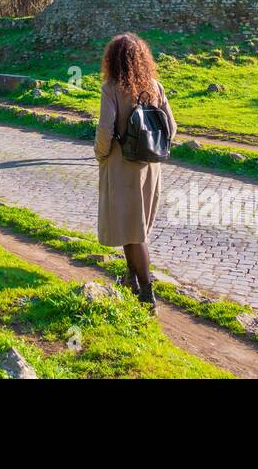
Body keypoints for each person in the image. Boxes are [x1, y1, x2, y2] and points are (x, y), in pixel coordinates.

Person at [94, 32, 176, 310]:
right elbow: (172, 128)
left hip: (122, 166)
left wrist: (101, 155)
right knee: (135, 228)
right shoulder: (155, 86)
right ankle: (131, 279)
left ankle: (147, 291)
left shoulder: (112, 88)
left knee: (132, 231)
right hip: (151, 167)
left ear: (113, 59)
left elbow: (105, 130)